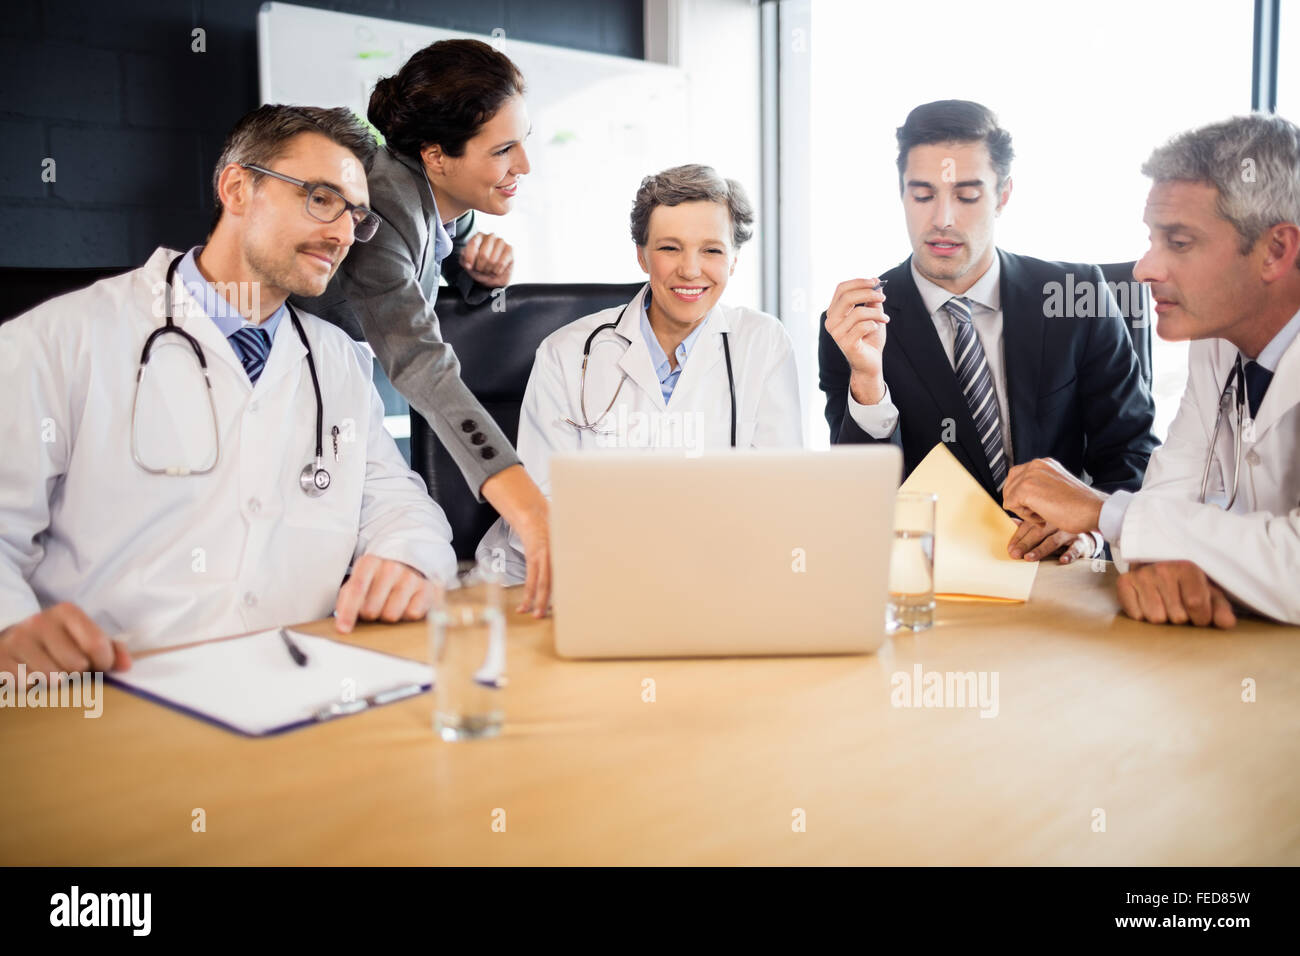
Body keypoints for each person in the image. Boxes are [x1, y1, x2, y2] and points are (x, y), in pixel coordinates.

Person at [0, 105, 459, 678]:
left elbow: (399, 502)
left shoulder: (337, 358)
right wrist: (11, 626)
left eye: (357, 216)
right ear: (238, 188)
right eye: (321, 199)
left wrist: (407, 559)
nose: (343, 233)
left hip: (300, 685)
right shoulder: (60, 339)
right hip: (117, 696)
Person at [819, 100, 1157, 565]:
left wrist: (1091, 532)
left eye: (966, 195)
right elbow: (862, 501)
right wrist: (869, 383)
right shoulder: (856, 321)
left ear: (1003, 195)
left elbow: (1132, 454)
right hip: (937, 580)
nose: (943, 219)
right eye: (923, 195)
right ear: (901, 195)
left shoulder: (1078, 298)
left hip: (1061, 576)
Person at [1003, 113, 1300, 628]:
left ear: (1275, 250)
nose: (1144, 269)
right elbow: (1171, 496)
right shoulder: (1215, 345)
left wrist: (1102, 513)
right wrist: (1161, 565)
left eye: (1179, 243)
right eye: (1152, 239)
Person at [297, 39, 551, 616]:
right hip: (300, 391)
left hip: (341, 387)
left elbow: (437, 254)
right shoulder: (380, 212)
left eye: (524, 142)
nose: (524, 167)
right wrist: (528, 508)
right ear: (437, 156)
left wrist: (472, 272)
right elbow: (418, 361)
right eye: (503, 150)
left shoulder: (442, 198)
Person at [477, 164, 803, 582]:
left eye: (712, 250)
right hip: (553, 583)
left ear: (734, 259)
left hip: (710, 583)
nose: (690, 270)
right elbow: (541, 510)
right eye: (670, 248)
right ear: (641, 254)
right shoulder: (566, 352)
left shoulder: (763, 343)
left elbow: (779, 497)